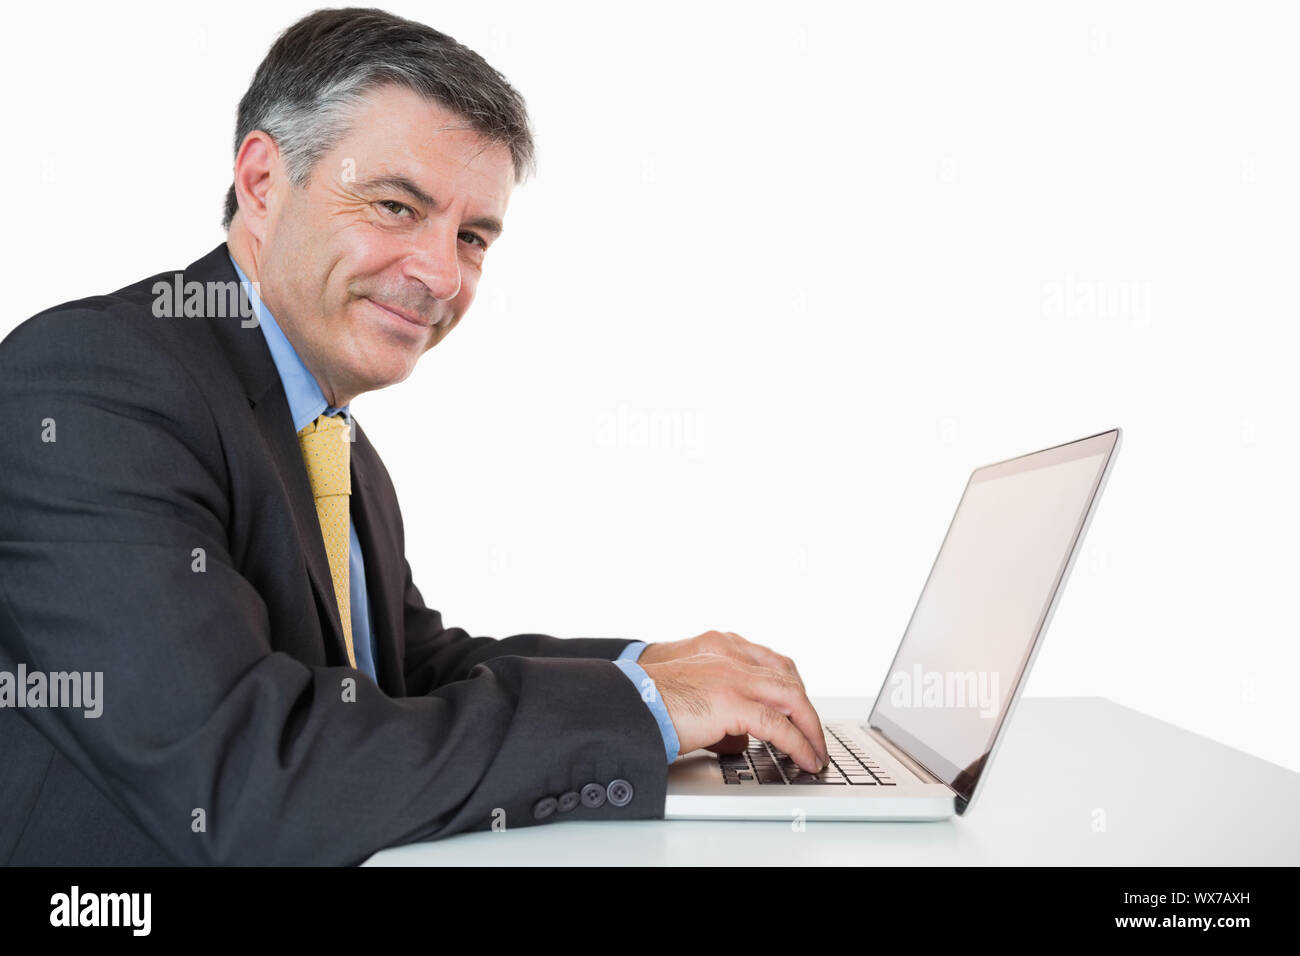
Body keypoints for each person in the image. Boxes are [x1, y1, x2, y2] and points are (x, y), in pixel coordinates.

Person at [0, 7, 826, 866]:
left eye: (472, 237)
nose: (442, 273)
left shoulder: (328, 436)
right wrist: (644, 710)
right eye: (397, 206)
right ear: (261, 182)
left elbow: (411, 672)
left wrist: (647, 670)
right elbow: (250, 777)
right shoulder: (97, 381)